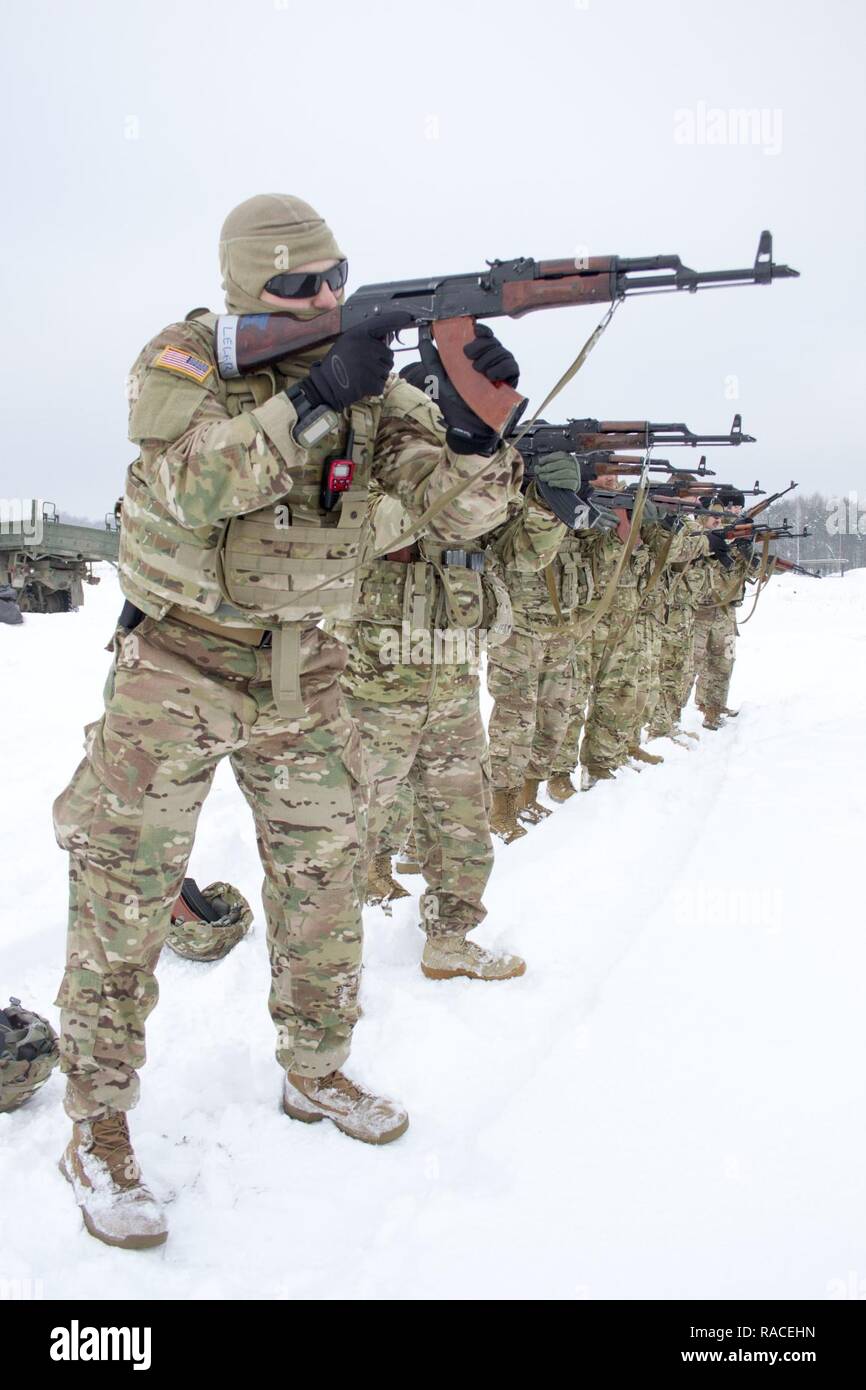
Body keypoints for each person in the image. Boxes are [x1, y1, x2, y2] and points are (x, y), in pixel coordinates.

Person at [52, 194, 524, 1248]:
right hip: (175, 663)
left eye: (333, 276)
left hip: (307, 669)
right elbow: (192, 485)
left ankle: (314, 1069)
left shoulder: (375, 384)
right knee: (123, 899)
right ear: (241, 288)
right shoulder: (182, 362)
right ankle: (98, 1125)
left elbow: (456, 514)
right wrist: (312, 396)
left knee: (323, 878)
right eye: (294, 285)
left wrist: (473, 428)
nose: (321, 296)